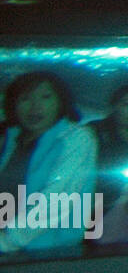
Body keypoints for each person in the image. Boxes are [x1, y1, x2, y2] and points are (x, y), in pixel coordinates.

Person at [0, 71, 98, 256]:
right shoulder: (12, 139)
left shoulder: (76, 138)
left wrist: (8, 241)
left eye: (46, 97)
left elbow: (58, 199)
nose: (35, 106)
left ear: (61, 102)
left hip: (49, 253)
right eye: (25, 98)